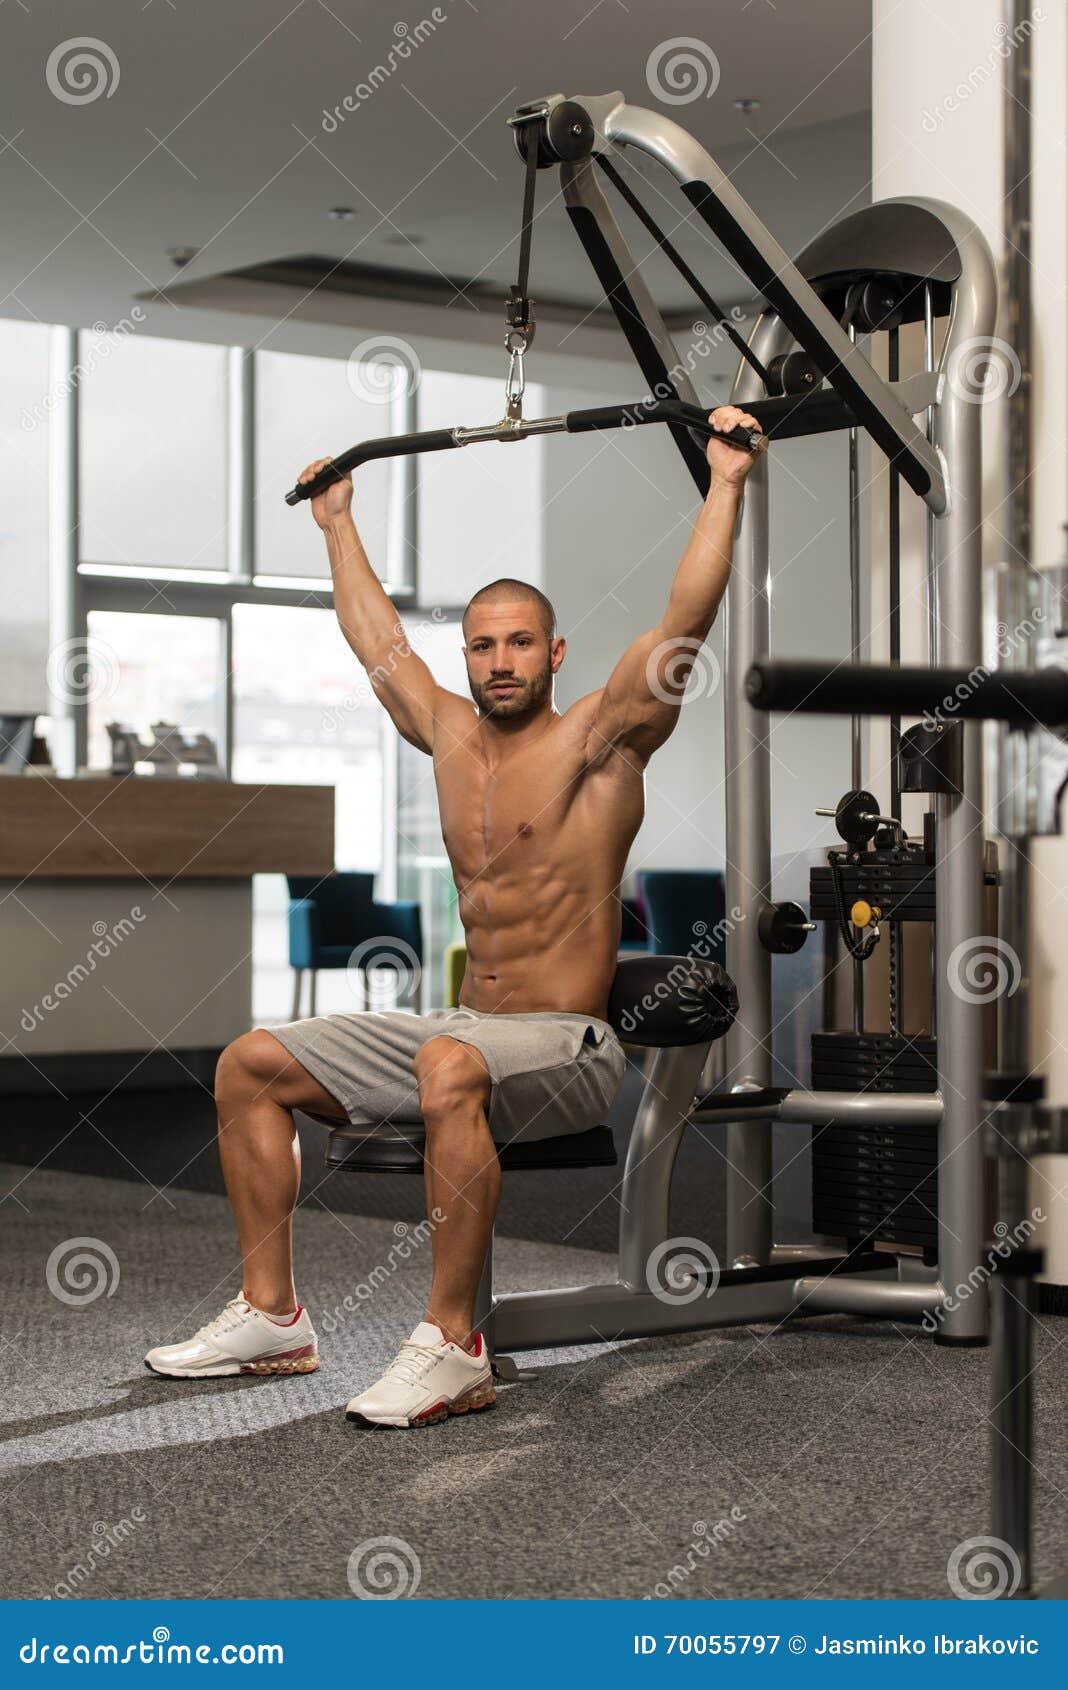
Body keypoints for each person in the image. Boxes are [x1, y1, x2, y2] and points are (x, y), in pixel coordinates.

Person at [145, 405, 764, 1425]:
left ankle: (452, 1345)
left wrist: (727, 484)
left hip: (570, 1042)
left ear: (556, 651)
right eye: (482, 645)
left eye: (520, 642)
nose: (499, 661)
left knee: (447, 1062)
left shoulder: (605, 743)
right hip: (467, 1033)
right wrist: (337, 520)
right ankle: (273, 1313)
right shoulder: (449, 737)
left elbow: (682, 622)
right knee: (249, 1061)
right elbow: (376, 642)